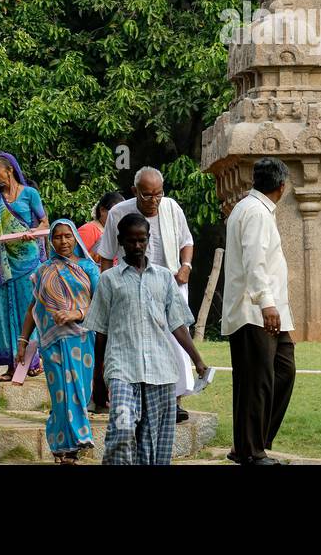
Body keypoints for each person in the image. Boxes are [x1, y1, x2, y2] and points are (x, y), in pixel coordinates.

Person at [84, 212, 208, 466]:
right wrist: (97, 379)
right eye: (131, 241)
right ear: (121, 241)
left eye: (142, 240)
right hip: (122, 368)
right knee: (122, 429)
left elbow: (178, 324)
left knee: (155, 438)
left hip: (160, 369)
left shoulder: (164, 277)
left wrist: (198, 361)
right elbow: (101, 331)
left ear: (149, 239)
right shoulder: (108, 280)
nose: (137, 246)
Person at [96, 167, 196, 420]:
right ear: (134, 191)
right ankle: (135, 397)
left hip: (169, 284)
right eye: (147, 195)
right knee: (136, 343)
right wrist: (108, 290)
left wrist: (186, 267)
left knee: (175, 343)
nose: (153, 201)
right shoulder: (119, 212)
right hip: (130, 286)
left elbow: (187, 241)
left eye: (158, 194)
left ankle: (174, 400)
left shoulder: (172, 207)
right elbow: (107, 255)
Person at [222, 156, 296, 466]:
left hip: (268, 310)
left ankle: (253, 442)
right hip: (253, 312)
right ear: (282, 185)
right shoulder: (254, 212)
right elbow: (255, 261)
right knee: (256, 381)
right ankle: (250, 450)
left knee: (281, 370)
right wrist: (266, 302)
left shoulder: (253, 209)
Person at [16, 219, 100, 463]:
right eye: (57, 237)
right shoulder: (43, 270)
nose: (63, 241)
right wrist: (22, 341)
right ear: (50, 241)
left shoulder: (89, 268)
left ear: (76, 238)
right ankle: (67, 447)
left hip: (82, 340)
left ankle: (68, 444)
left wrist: (77, 314)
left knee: (80, 394)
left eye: (68, 236)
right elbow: (33, 308)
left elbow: (99, 303)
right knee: (61, 395)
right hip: (52, 342)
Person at [0, 152, 48, 381]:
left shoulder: (30, 194)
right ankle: (11, 366)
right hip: (2, 264)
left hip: (27, 262)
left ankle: (31, 362)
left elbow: (44, 223)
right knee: (4, 313)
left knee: (27, 312)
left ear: (9, 170)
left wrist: (32, 233)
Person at [80, 190, 124, 412]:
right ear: (103, 211)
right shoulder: (89, 230)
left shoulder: (119, 232)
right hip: (93, 292)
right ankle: (95, 394)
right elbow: (78, 258)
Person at [77, 191, 123, 262]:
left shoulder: (116, 231)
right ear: (102, 210)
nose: (120, 216)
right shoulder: (88, 230)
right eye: (116, 213)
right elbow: (77, 260)